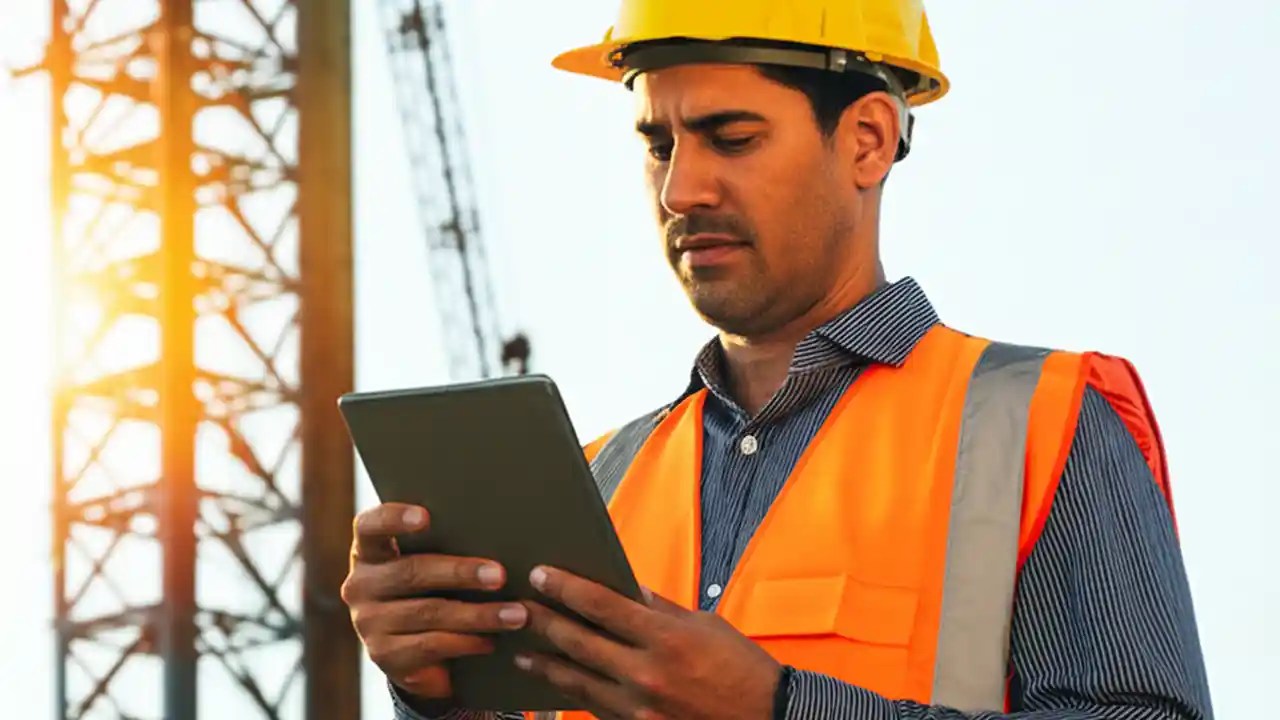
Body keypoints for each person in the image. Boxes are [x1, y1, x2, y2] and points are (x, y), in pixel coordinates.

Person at [340, 1, 1215, 718]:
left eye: (730, 136)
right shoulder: (597, 482)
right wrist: (430, 692)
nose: (682, 189)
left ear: (868, 139)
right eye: (659, 145)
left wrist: (776, 712)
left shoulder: (1041, 421)